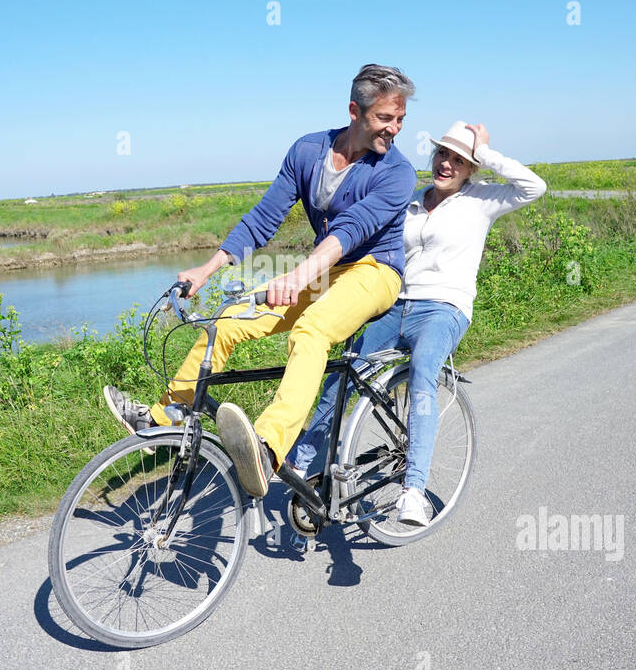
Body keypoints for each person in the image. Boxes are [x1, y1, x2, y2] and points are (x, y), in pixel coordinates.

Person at [103, 64, 418, 500]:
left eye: (401, 119)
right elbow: (263, 217)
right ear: (354, 111)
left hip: (375, 270)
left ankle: (267, 449)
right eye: (386, 118)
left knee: (312, 329)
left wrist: (298, 275)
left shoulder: (397, 172)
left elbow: (351, 230)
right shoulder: (308, 151)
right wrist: (207, 269)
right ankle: (164, 417)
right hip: (326, 269)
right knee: (230, 320)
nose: (395, 129)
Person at [286, 120, 547, 526]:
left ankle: (413, 491)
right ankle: (299, 462)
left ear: (471, 167)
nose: (447, 164)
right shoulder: (408, 202)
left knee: (424, 372)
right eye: (443, 154)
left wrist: (485, 150)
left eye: (459, 160)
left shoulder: (482, 201)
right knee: (345, 370)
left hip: (444, 308)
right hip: (395, 305)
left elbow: (534, 187)